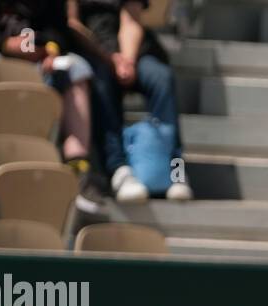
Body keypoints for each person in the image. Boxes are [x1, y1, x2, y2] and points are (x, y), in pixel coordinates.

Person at [0, 0, 106, 212]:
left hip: (41, 61)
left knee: (77, 67)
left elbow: (59, 28)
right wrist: (3, 43)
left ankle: (78, 167)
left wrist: (52, 48)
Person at [75, 0, 192, 201]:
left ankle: (176, 169)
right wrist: (109, 57)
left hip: (134, 51)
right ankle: (118, 169)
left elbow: (131, 20)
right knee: (100, 82)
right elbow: (73, 24)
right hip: (93, 52)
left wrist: (127, 61)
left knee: (161, 77)